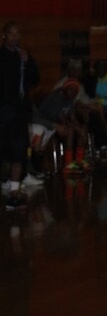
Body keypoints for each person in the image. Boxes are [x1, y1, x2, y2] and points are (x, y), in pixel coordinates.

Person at [0, 21, 40, 207]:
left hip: (19, 112)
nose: (15, 37)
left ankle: (14, 192)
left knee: (19, 150)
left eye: (17, 34)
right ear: (4, 35)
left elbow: (35, 80)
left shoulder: (23, 56)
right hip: (2, 111)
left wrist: (28, 62)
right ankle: (6, 182)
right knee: (4, 150)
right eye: (11, 34)